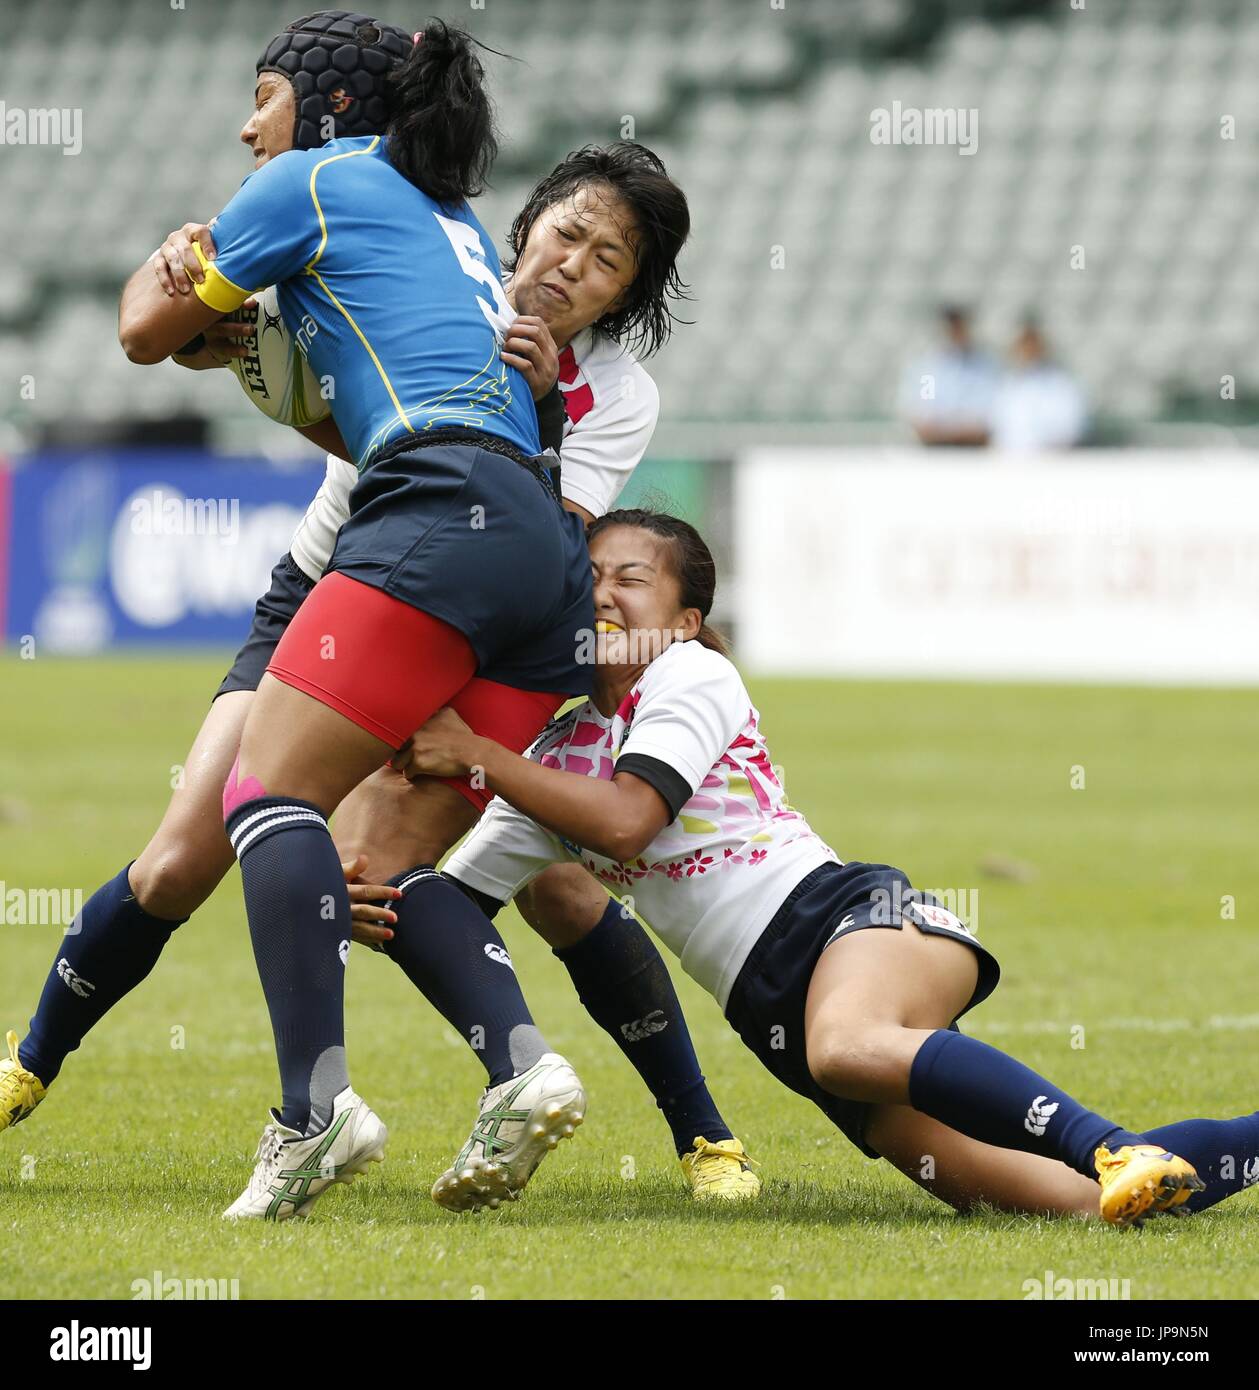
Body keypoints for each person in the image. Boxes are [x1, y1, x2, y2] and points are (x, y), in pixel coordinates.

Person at [2, 15, 754, 1211]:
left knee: (451, 868)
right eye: (565, 231)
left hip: (460, 587)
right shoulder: (432, 245)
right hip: (340, 572)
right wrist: (237, 350)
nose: (570, 264)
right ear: (523, 221)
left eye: (606, 261)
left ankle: (694, 1132)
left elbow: (536, 522)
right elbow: (330, 396)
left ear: (626, 295)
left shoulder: (611, 389)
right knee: (190, 854)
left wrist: (542, 407)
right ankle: (31, 1063)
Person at [392, 508, 1259, 1226]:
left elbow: (624, 824)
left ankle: (1106, 1143)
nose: (604, 592)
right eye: (589, 576)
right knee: (1076, 1211)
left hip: (850, 922)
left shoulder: (690, 676)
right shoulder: (552, 754)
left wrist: (475, 755)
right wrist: (374, 897)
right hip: (775, 1020)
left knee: (850, 1046)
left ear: (686, 619)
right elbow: (456, 908)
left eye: (632, 577)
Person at [899, 304, 998, 446]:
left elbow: (986, 416)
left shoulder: (983, 367)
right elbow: (922, 414)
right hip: (935, 450)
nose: (954, 332)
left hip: (973, 450)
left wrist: (952, 429)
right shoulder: (927, 369)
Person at [988, 318, 1088, 451]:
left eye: (1032, 344)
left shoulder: (1061, 384)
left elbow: (1071, 428)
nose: (1028, 350)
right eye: (1024, 345)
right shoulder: (1007, 385)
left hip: (1051, 461)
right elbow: (997, 428)